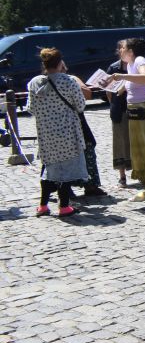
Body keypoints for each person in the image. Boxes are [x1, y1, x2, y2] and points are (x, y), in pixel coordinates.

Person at [27, 48, 88, 217]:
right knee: (65, 171)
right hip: (67, 131)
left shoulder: (34, 82)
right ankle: (64, 206)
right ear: (60, 63)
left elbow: (31, 109)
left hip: (45, 133)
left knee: (49, 168)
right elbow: (81, 105)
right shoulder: (68, 81)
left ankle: (43, 205)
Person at [107, 37, 145, 202]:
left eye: (123, 48)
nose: (120, 50)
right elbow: (129, 87)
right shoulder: (131, 65)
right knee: (142, 150)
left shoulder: (139, 61)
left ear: (131, 51)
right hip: (137, 111)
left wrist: (121, 76)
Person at [107, 43, 132, 188]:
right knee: (119, 141)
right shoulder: (113, 68)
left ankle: (140, 173)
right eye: (124, 49)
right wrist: (114, 103)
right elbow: (108, 92)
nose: (126, 52)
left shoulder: (135, 66)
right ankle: (122, 176)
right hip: (118, 108)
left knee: (134, 141)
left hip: (133, 107)